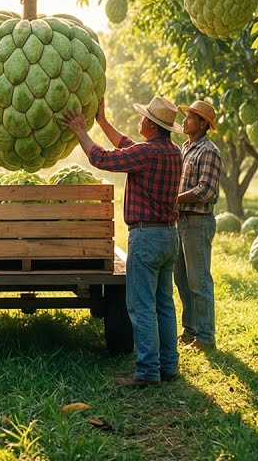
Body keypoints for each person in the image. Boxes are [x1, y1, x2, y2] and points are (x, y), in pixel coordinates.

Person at [61, 96, 183, 387]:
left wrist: (81, 130)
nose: (139, 121)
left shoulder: (147, 154)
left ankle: (146, 372)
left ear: (152, 126)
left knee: (141, 305)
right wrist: (102, 121)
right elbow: (127, 145)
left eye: (143, 118)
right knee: (163, 304)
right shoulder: (173, 152)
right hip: (169, 235)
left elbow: (102, 158)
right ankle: (169, 366)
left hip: (146, 236)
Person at [174, 99, 222, 350]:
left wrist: (175, 199)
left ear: (202, 124)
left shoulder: (209, 151)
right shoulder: (186, 148)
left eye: (191, 117)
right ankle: (190, 330)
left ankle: (205, 337)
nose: (185, 120)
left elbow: (206, 190)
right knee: (181, 278)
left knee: (199, 281)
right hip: (181, 221)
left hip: (197, 222)